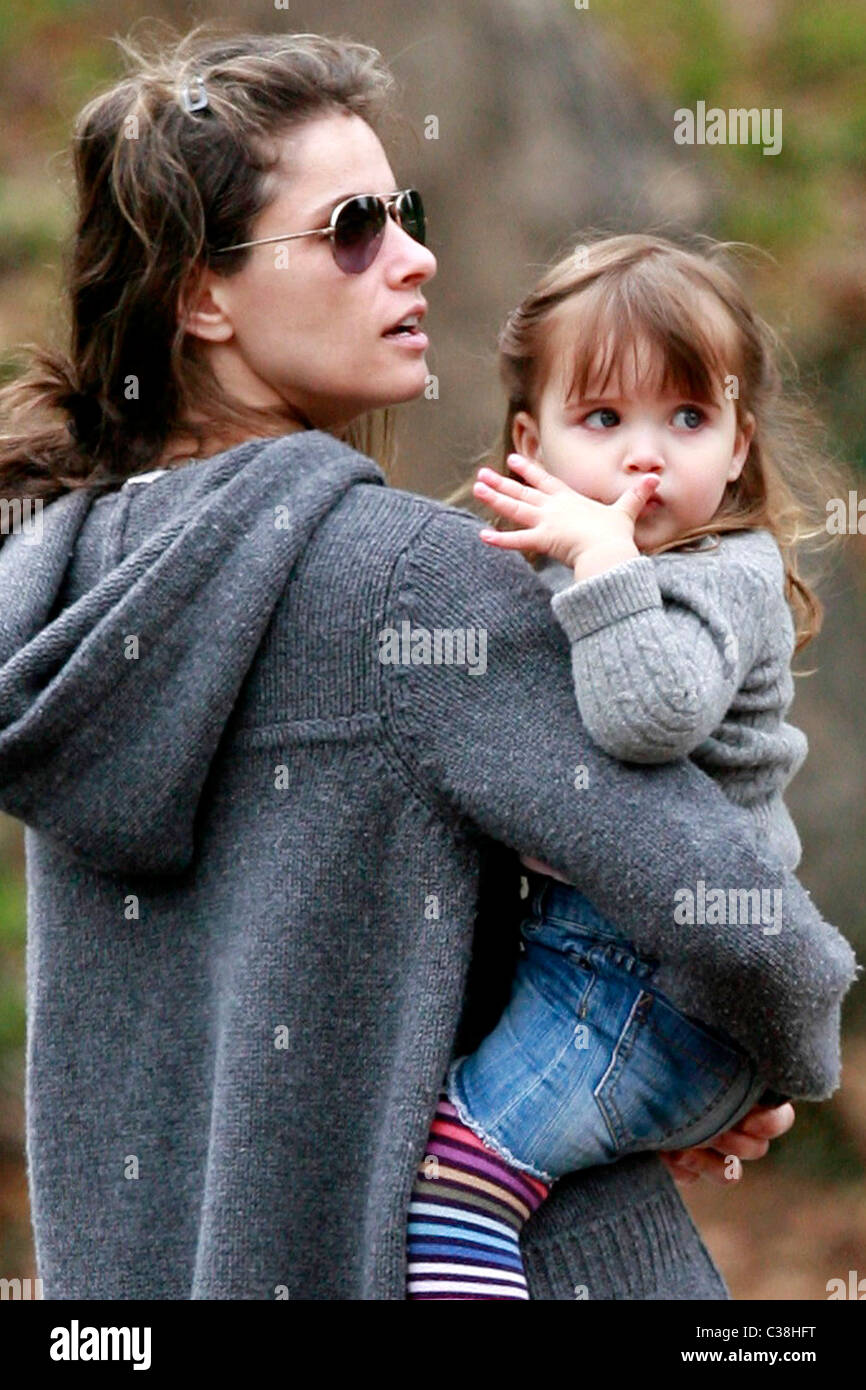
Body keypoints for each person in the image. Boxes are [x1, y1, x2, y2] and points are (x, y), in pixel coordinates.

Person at [0, 26, 854, 1301]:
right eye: (353, 227)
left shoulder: (72, 597)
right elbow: (741, 926)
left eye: (402, 212)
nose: (414, 255)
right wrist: (768, 1064)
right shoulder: (409, 579)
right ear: (201, 295)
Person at [406, 234, 859, 1299]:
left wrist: (600, 557)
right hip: (611, 974)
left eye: (687, 419)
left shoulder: (722, 575)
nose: (644, 456)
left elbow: (647, 716)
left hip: (650, 985)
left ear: (740, 446)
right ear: (532, 442)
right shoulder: (563, 570)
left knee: (454, 1184)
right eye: (603, 420)